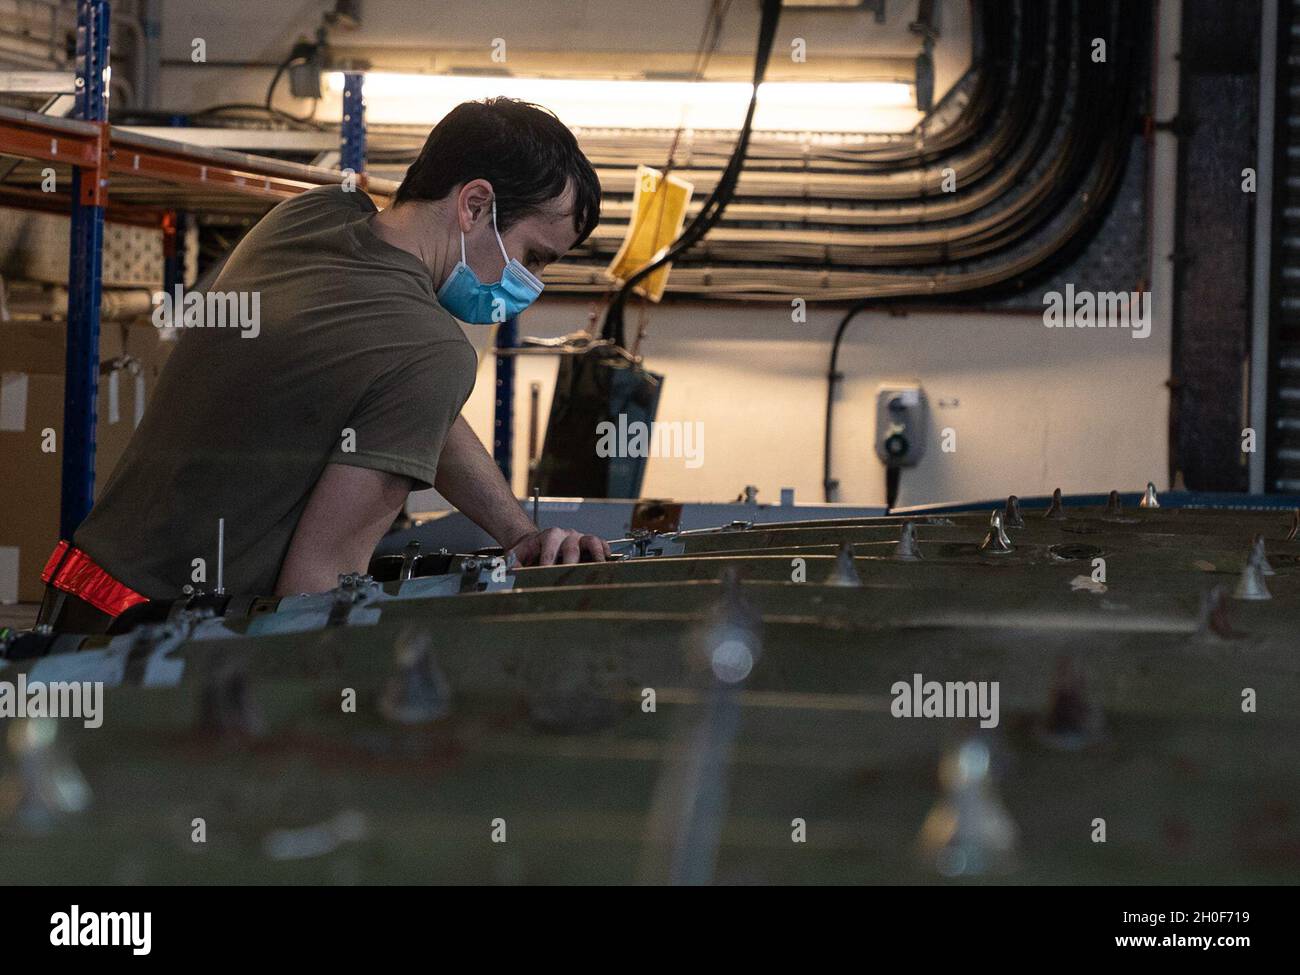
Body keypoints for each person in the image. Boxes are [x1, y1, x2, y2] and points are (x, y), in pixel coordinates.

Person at [37, 97, 609, 634]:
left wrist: (518, 534)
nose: (528, 283)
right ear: (475, 204)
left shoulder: (306, 217)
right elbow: (313, 594)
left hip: (76, 607)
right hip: (159, 654)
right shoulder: (429, 352)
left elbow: (409, 408)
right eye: (534, 257)